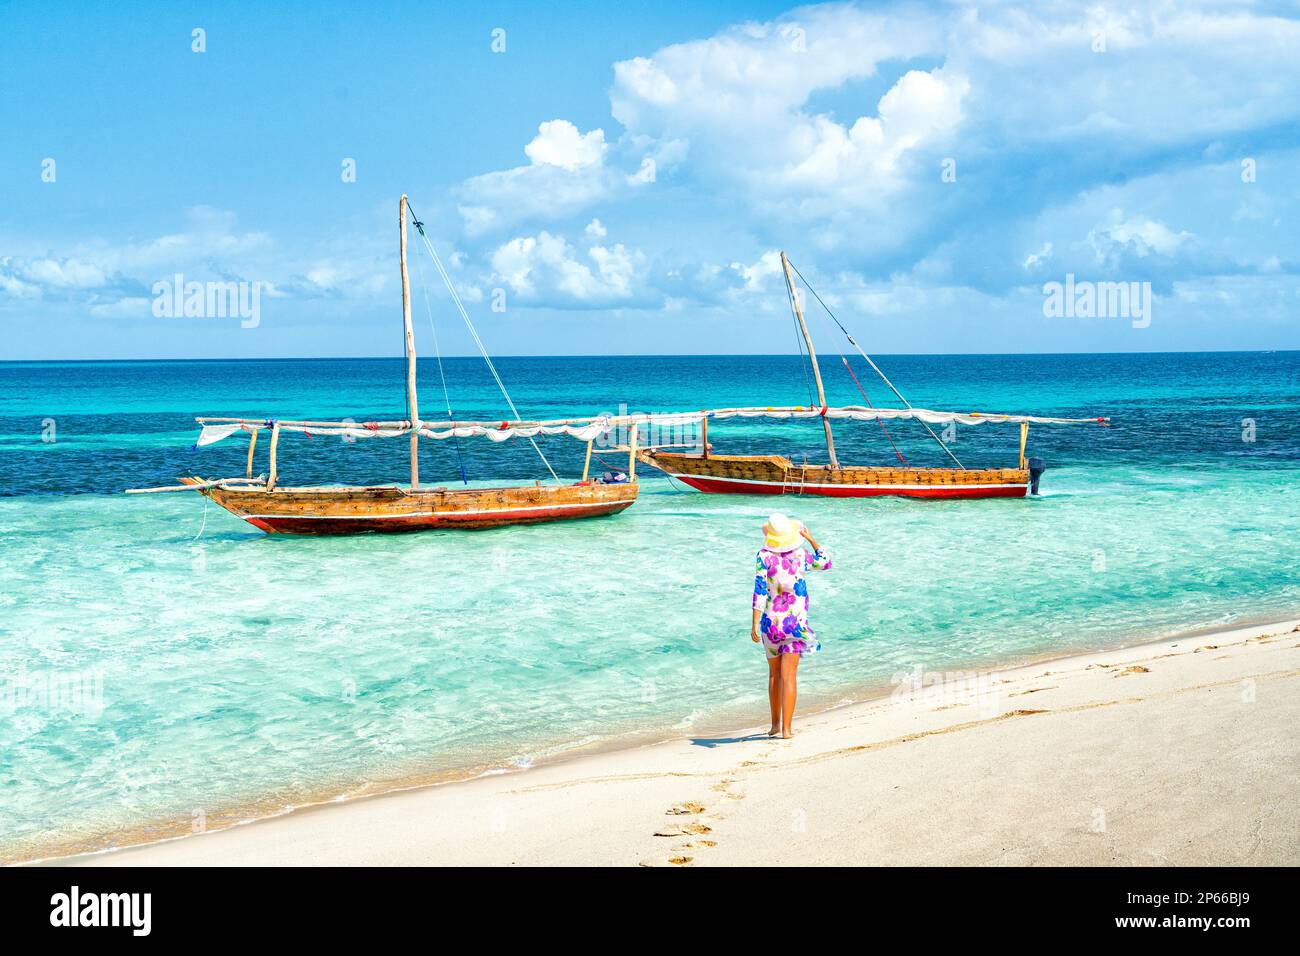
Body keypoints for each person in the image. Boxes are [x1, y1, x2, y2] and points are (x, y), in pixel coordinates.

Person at [750, 513, 831, 739]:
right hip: (795, 625)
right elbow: (826, 562)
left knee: (774, 675)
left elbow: (759, 591)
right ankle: (786, 730)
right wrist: (812, 539)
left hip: (770, 625)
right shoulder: (800, 554)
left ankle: (774, 725)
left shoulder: (763, 556)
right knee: (789, 677)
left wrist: (754, 623)